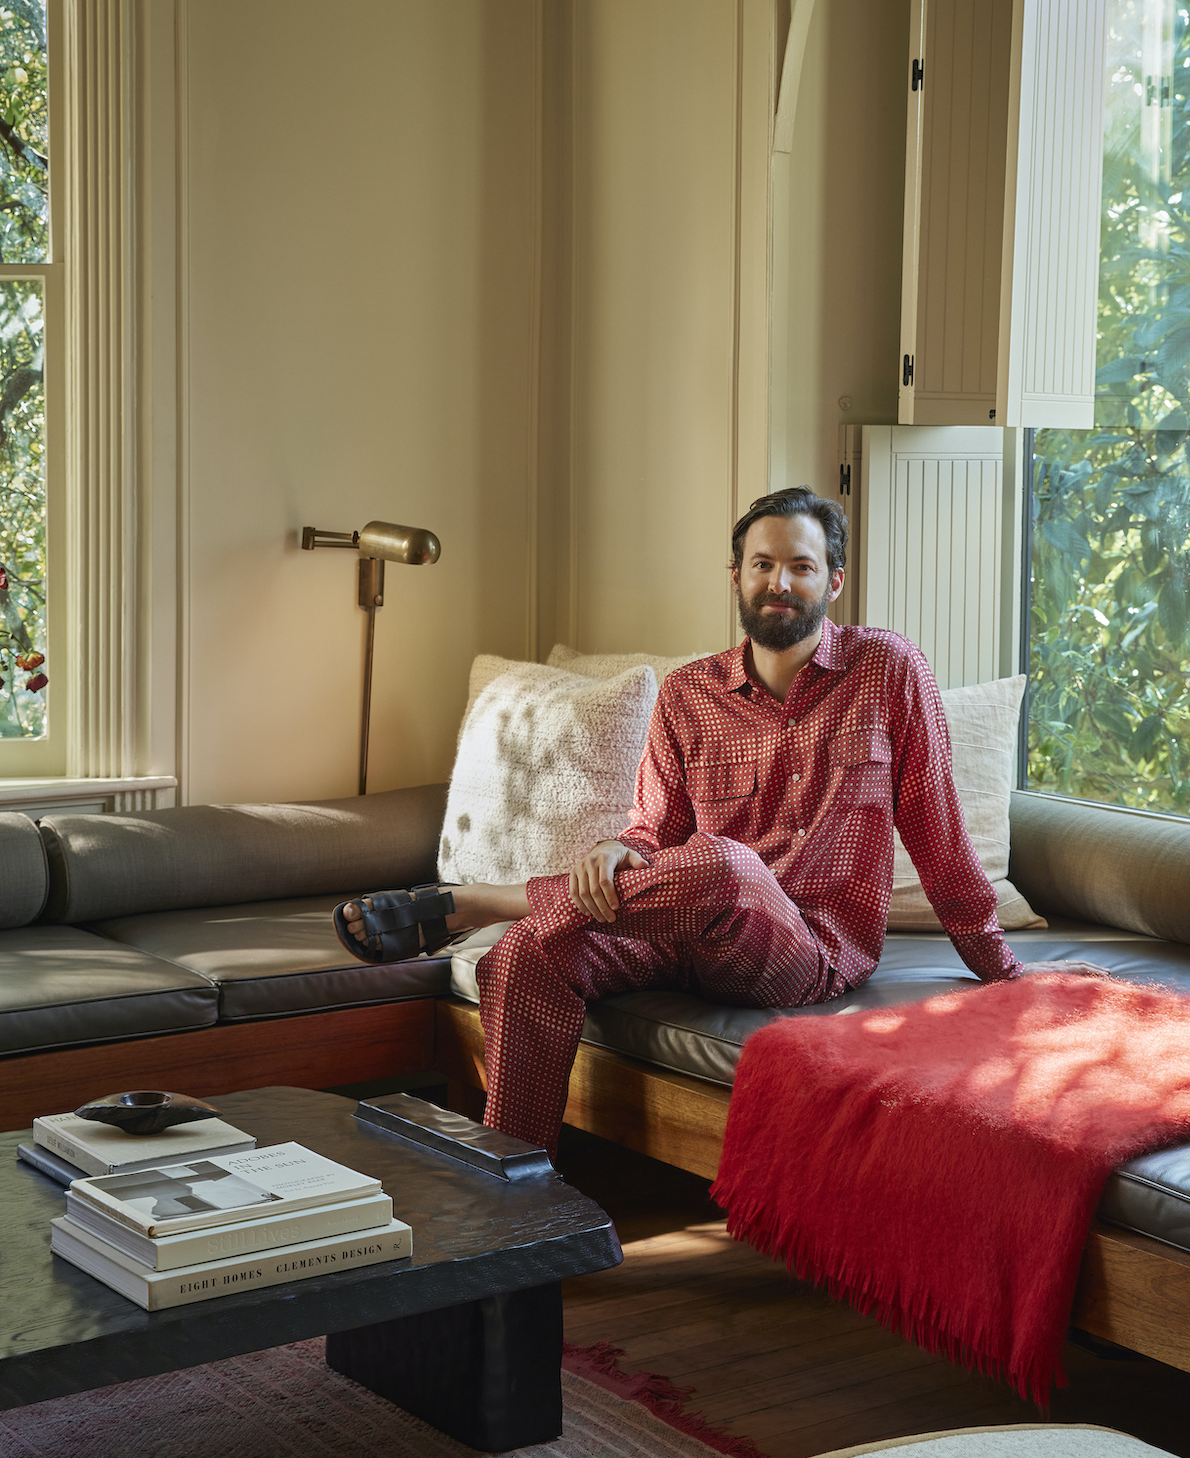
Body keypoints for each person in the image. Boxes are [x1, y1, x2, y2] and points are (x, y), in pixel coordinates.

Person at [335, 486, 1104, 1158]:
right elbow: (651, 835)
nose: (780, 581)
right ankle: (515, 1199)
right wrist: (612, 848)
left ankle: (481, 902)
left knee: (729, 863)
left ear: (835, 580)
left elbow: (939, 839)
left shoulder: (887, 672)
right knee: (526, 956)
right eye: (763, 564)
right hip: (683, 928)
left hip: (808, 949)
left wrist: (1004, 970)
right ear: (736, 577)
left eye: (801, 566)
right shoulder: (688, 693)